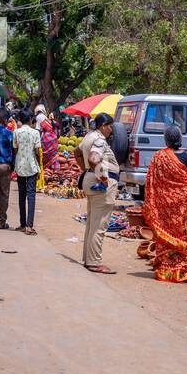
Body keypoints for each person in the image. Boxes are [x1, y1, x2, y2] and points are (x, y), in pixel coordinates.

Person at [144, 125, 187, 283]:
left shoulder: (159, 157)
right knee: (185, 233)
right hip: (184, 205)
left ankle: (166, 267)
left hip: (165, 209)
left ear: (166, 140)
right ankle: (186, 269)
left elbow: (152, 183)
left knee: (166, 232)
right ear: (180, 139)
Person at [77, 113, 119, 274]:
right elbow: (94, 158)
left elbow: (77, 152)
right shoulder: (100, 140)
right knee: (99, 225)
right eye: (110, 126)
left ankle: (89, 259)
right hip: (100, 184)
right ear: (103, 126)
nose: (111, 129)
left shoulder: (89, 136)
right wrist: (103, 179)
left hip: (90, 179)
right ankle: (94, 262)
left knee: (92, 223)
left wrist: (86, 171)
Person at [12, 111, 41, 234]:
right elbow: (37, 151)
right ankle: (29, 225)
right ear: (30, 119)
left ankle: (22, 224)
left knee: (21, 196)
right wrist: (39, 165)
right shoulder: (35, 133)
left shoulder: (16, 132)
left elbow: (15, 149)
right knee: (31, 196)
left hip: (20, 166)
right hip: (32, 166)